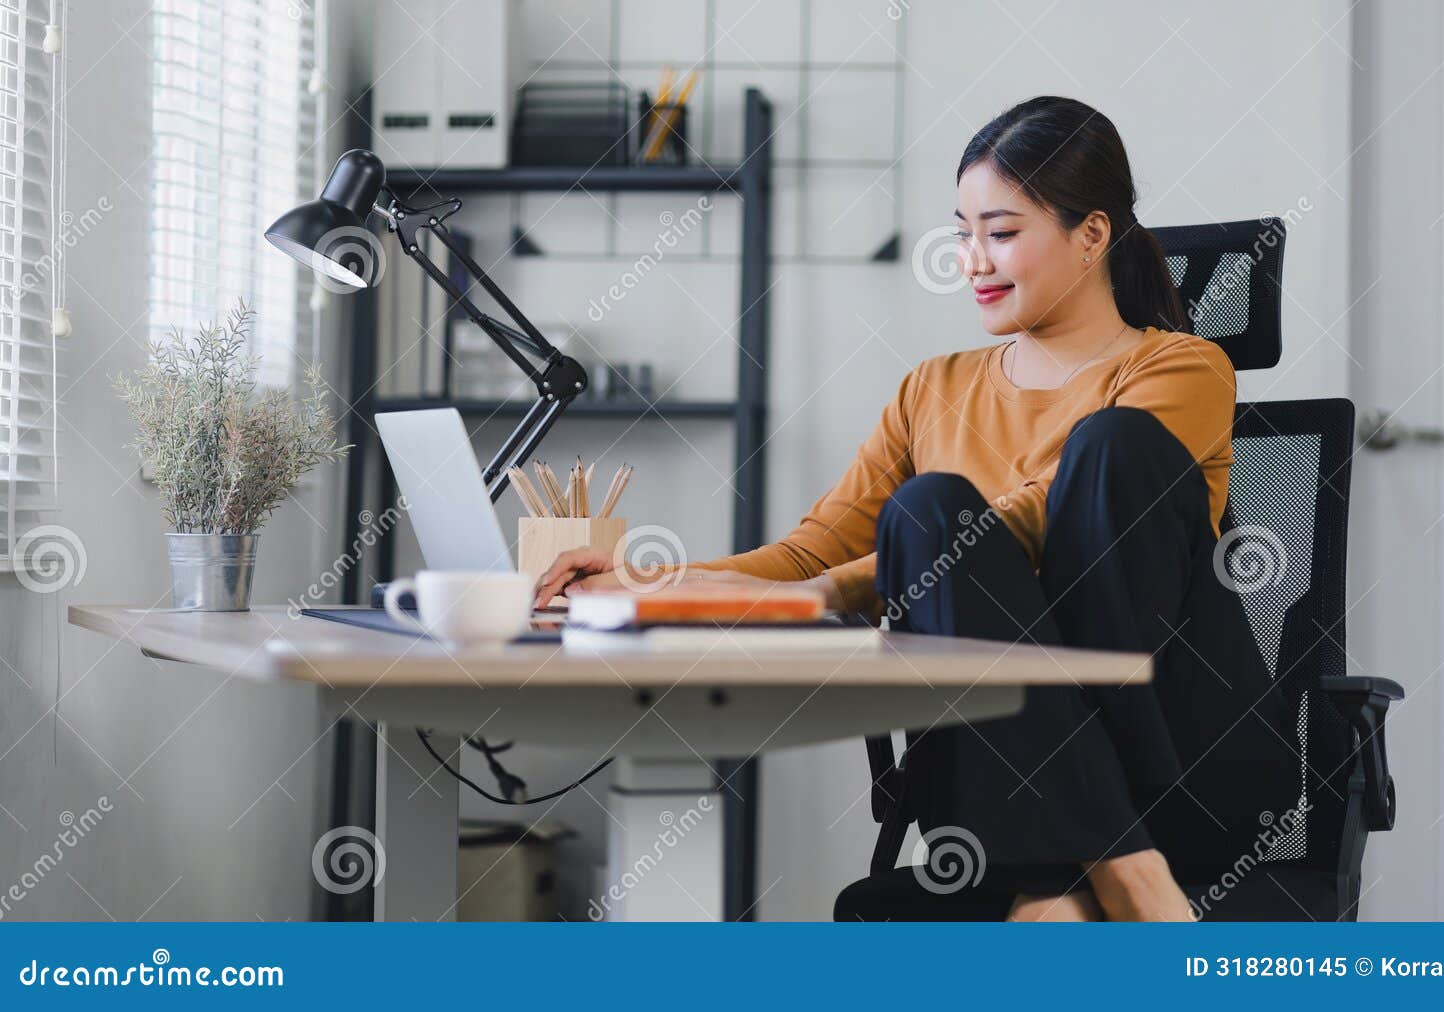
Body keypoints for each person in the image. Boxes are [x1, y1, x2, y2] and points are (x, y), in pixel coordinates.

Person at [535, 96, 1301, 922]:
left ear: (1091, 235)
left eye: (1002, 232)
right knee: (928, 509)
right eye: (963, 232)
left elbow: (1037, 513)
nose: (973, 260)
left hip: (1181, 773)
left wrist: (837, 595)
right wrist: (653, 583)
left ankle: (1089, 879)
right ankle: (1112, 879)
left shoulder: (1182, 368)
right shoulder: (932, 389)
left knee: (1097, 455)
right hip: (1003, 806)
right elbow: (809, 554)